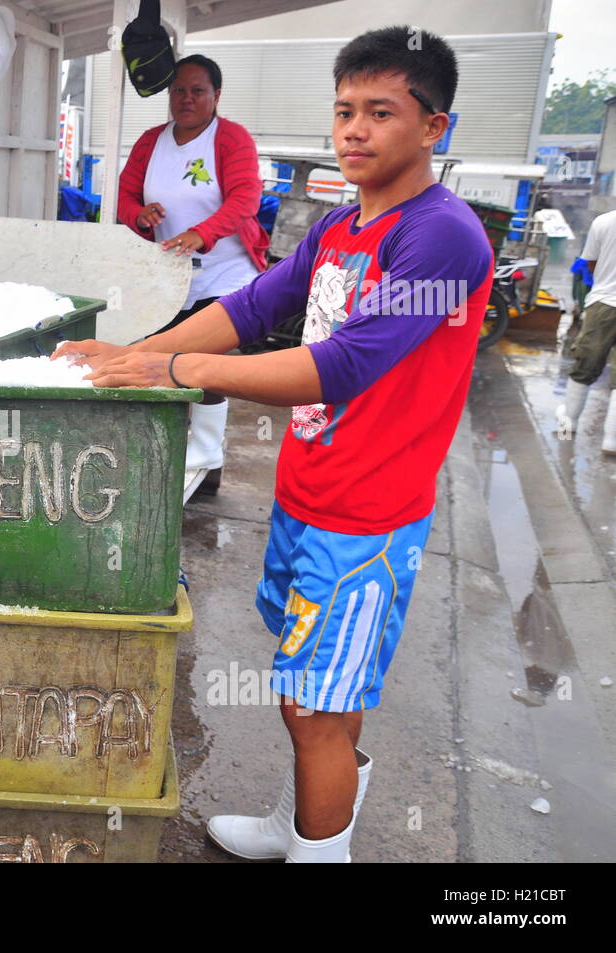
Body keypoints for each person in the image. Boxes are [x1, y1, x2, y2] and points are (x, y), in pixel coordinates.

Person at [56, 26, 492, 862]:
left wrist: (178, 370)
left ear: (435, 127)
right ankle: (302, 824)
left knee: (313, 705)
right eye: (343, 110)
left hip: (366, 517)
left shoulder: (442, 234)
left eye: (381, 112)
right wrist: (139, 352)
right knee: (312, 688)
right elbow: (256, 304)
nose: (354, 130)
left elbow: (346, 363)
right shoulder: (339, 226)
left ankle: (320, 850)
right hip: (308, 493)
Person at [118, 54, 269, 492]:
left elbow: (245, 200)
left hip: (224, 274)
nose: (187, 99)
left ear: (216, 96)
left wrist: (203, 234)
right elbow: (125, 198)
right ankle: (161, 455)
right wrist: (140, 215)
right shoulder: (151, 142)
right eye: (179, 90)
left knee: (207, 367)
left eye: (197, 90)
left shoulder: (231, 139)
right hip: (167, 275)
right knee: (158, 361)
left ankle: (207, 464)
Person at [559, 208, 616, 455]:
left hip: (603, 303)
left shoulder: (604, 222)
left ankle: (568, 423)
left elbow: (590, 263)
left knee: (585, 363)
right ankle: (611, 442)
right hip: (605, 301)